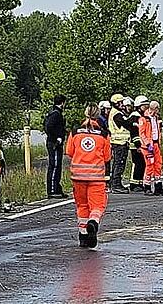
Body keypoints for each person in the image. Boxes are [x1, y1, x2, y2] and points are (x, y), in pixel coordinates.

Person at [66, 105, 111, 248]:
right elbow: (107, 156)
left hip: (78, 177)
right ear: (97, 116)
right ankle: (93, 222)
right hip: (96, 177)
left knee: (82, 206)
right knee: (97, 205)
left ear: (85, 114)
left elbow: (69, 152)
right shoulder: (103, 134)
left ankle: (83, 236)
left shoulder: (74, 132)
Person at [138, 100, 163, 196]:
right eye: (157, 109)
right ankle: (147, 187)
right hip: (148, 146)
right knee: (149, 165)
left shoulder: (155, 118)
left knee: (158, 165)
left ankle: (158, 187)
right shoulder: (143, 119)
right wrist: (147, 144)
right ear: (154, 109)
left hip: (155, 144)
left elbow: (157, 131)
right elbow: (141, 133)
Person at [107, 95, 134, 194]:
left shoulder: (117, 113)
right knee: (119, 163)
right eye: (121, 102)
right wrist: (133, 119)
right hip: (119, 142)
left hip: (120, 142)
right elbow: (126, 123)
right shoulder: (116, 114)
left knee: (118, 163)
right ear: (117, 103)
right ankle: (116, 184)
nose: (123, 104)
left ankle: (115, 183)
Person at [43, 94, 69, 199]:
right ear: (62, 102)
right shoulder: (56, 114)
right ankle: (52, 190)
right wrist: (57, 137)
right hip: (54, 143)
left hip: (54, 142)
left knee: (57, 166)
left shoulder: (53, 112)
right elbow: (49, 127)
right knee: (54, 165)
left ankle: (57, 188)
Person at [128, 96, 149, 192]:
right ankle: (134, 184)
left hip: (142, 144)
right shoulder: (134, 116)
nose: (146, 108)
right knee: (137, 163)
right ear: (139, 106)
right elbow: (134, 132)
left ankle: (140, 183)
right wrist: (138, 145)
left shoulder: (142, 116)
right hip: (136, 144)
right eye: (144, 106)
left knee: (142, 164)